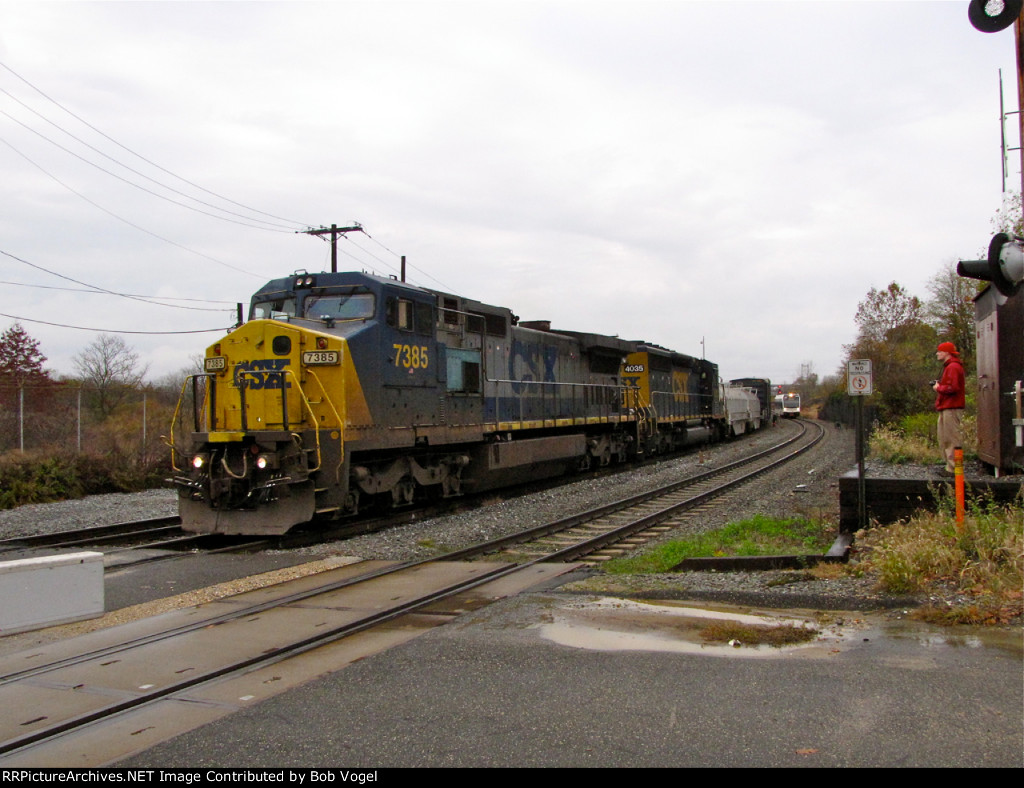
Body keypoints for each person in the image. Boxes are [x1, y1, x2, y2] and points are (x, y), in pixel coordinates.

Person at [933, 341, 965, 476]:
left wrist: (938, 388)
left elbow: (953, 387)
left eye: (940, 351)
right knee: (945, 437)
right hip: (947, 406)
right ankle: (950, 467)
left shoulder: (953, 367)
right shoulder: (951, 366)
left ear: (946, 352)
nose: (937, 353)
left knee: (952, 438)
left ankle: (955, 469)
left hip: (952, 407)